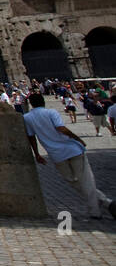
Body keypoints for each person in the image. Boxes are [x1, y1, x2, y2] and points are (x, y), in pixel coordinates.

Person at [24, 92, 115, 220]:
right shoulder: (51, 112)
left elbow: (31, 136)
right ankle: (105, 204)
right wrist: (78, 139)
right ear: (43, 101)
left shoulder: (27, 117)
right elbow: (61, 128)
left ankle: (98, 208)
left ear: (31, 104)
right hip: (72, 149)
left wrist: (37, 153)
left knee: (73, 181)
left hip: (57, 155)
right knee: (86, 180)